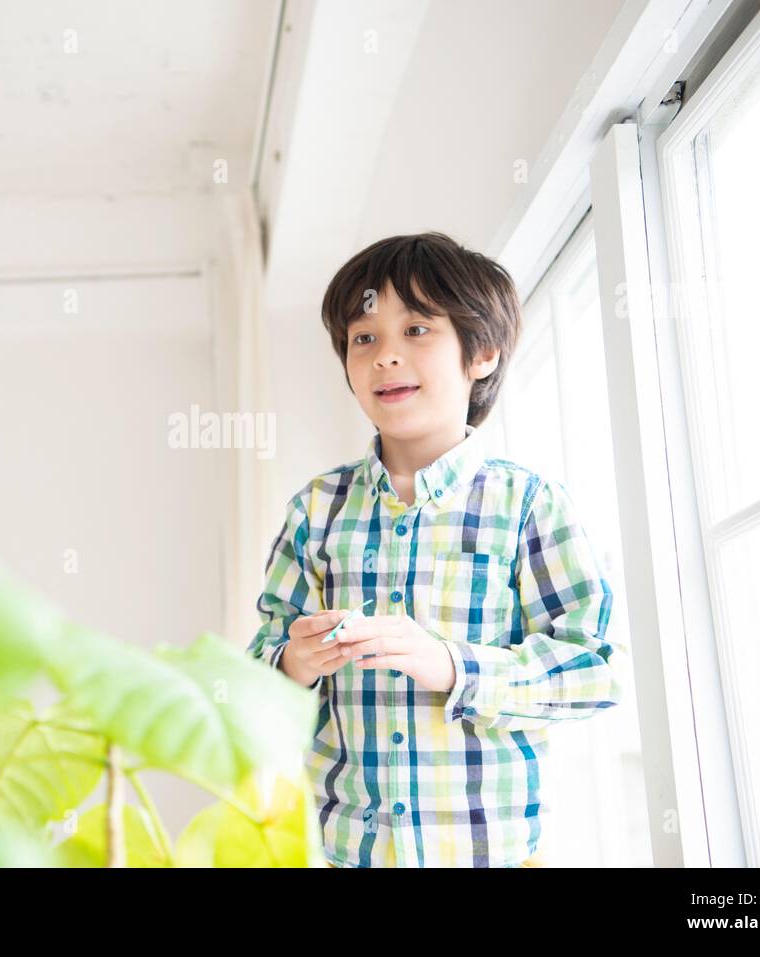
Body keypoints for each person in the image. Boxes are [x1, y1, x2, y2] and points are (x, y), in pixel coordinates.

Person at [247, 232, 623, 867]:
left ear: (481, 355)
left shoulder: (528, 504)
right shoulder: (315, 510)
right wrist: (294, 661)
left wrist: (455, 666)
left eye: (417, 330)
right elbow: (255, 675)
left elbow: (592, 672)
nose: (384, 357)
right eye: (363, 338)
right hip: (340, 854)